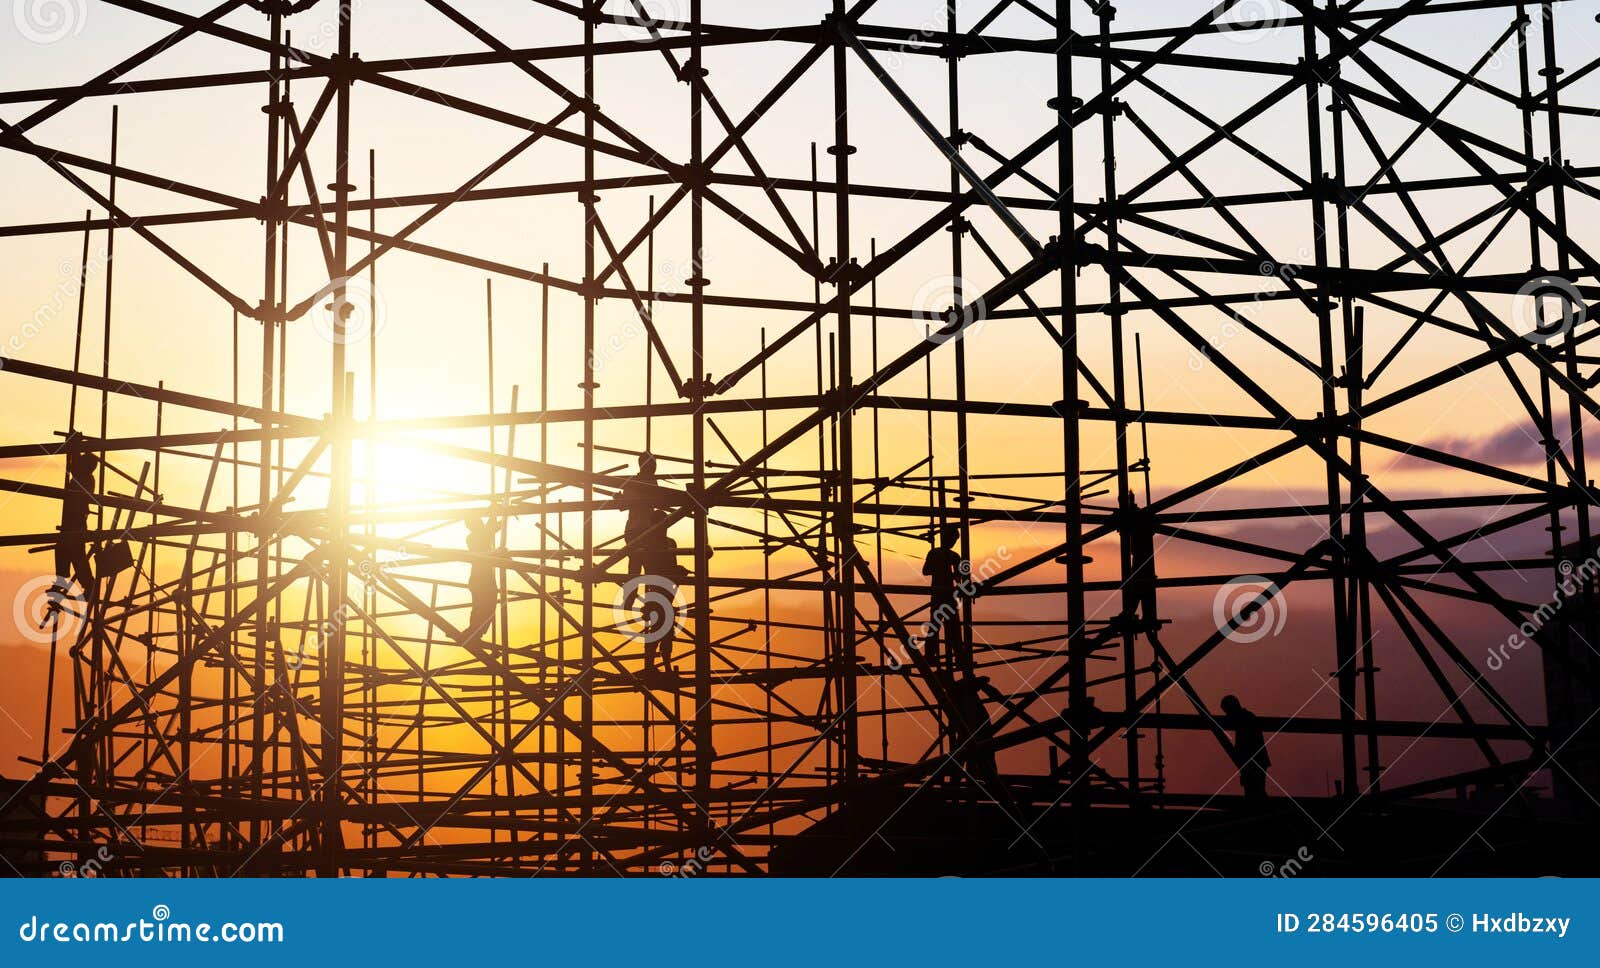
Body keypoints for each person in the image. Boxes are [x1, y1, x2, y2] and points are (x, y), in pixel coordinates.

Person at [52, 448, 98, 611]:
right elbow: (74, 466)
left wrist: (74, 446)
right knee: (65, 549)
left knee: (74, 552)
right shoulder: (83, 476)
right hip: (72, 520)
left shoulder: (84, 478)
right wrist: (74, 447)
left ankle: (89, 585)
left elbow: (74, 467)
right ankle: (68, 581)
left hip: (75, 522)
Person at [921, 524, 964, 667]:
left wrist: (954, 574)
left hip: (943, 594)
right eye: (953, 539)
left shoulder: (951, 556)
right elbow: (926, 571)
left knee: (945, 626)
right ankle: (955, 656)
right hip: (941, 594)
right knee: (946, 626)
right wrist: (945, 570)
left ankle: (936, 656)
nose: (953, 542)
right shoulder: (940, 554)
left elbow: (958, 577)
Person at [1220, 694, 1270, 800]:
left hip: (1254, 761)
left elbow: (1245, 745)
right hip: (1257, 760)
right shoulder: (1247, 717)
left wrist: (1245, 769)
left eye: (1227, 711)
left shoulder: (1244, 719)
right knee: (1257, 792)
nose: (1227, 715)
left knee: (1254, 793)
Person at [464, 516, 497, 643]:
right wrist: (495, 511)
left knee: (481, 606)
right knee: (485, 606)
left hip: (480, 578)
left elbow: (492, 527)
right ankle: (474, 633)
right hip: (482, 578)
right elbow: (491, 528)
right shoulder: (476, 536)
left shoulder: (476, 535)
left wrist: (495, 512)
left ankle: (474, 633)